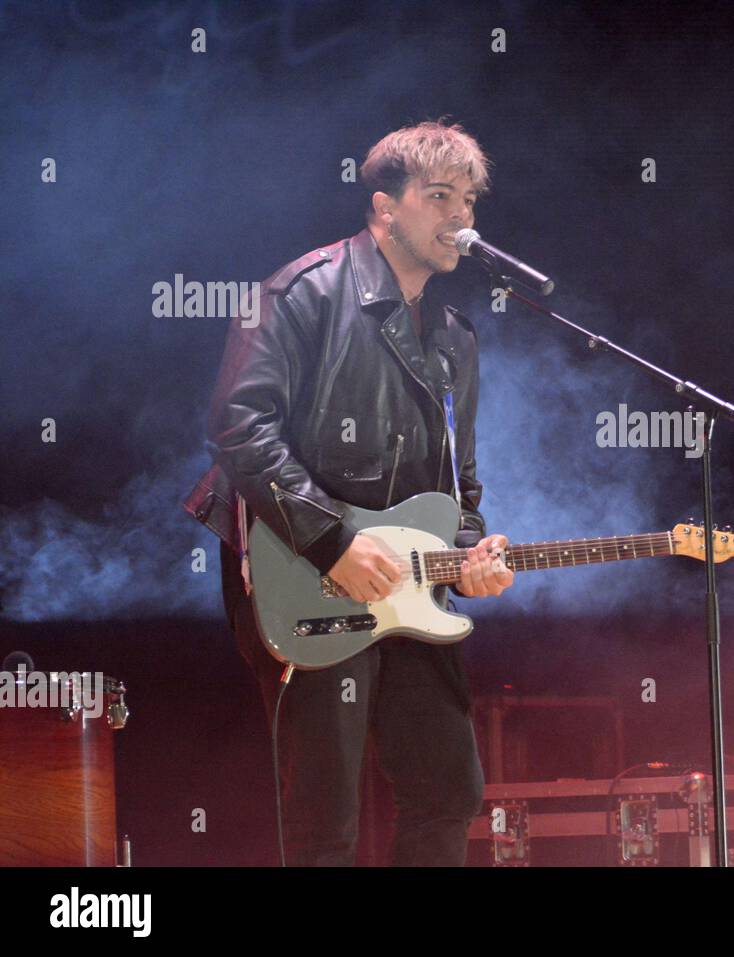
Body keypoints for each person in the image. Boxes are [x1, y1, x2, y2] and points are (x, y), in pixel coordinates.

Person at [184, 119, 513, 865]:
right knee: (325, 808)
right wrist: (332, 538)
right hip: (302, 570)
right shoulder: (302, 293)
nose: (461, 216)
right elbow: (239, 427)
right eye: (439, 196)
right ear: (384, 208)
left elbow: (456, 486)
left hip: (406, 592)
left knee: (448, 789)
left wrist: (471, 551)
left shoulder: (456, 337)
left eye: (468, 198)